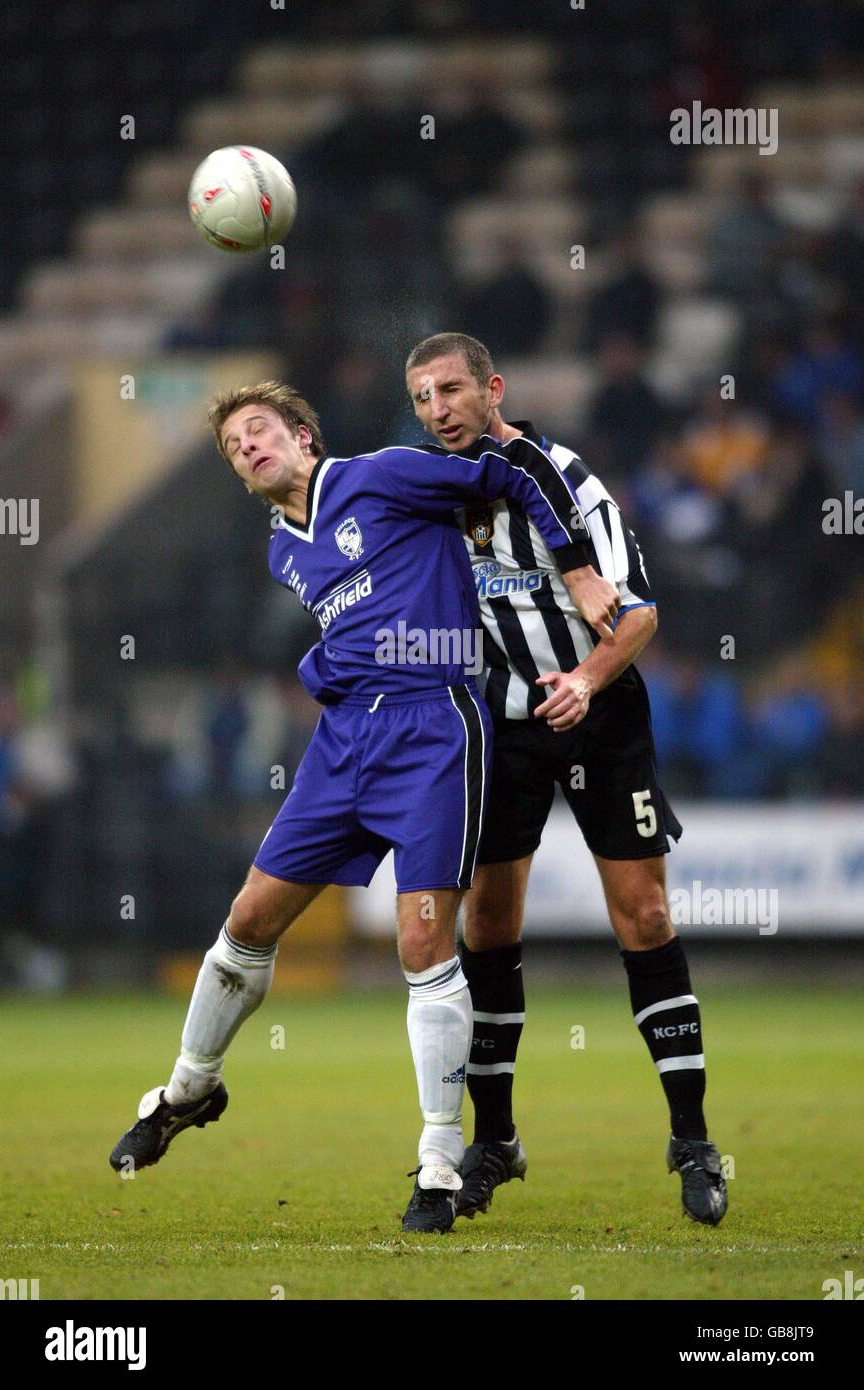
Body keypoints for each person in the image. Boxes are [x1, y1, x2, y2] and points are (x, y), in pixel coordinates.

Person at [108, 379, 597, 1235]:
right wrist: (320, 677)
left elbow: (510, 476)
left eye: (260, 432)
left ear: (302, 435)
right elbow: (350, 628)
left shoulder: (381, 474)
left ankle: (440, 1161)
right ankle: (187, 1089)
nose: (248, 448)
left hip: (434, 727)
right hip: (344, 742)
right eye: (233, 447)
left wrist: (579, 569)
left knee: (420, 940)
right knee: (250, 917)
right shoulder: (281, 551)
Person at [404, 333, 728, 1227]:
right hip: (502, 730)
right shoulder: (438, 497)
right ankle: (495, 1140)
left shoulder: (566, 480)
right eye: (422, 397)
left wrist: (584, 680)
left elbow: (640, 613)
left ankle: (692, 1141)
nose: (437, 410)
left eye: (450, 390)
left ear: (491, 389)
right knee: (490, 921)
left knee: (644, 915)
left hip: (601, 713)